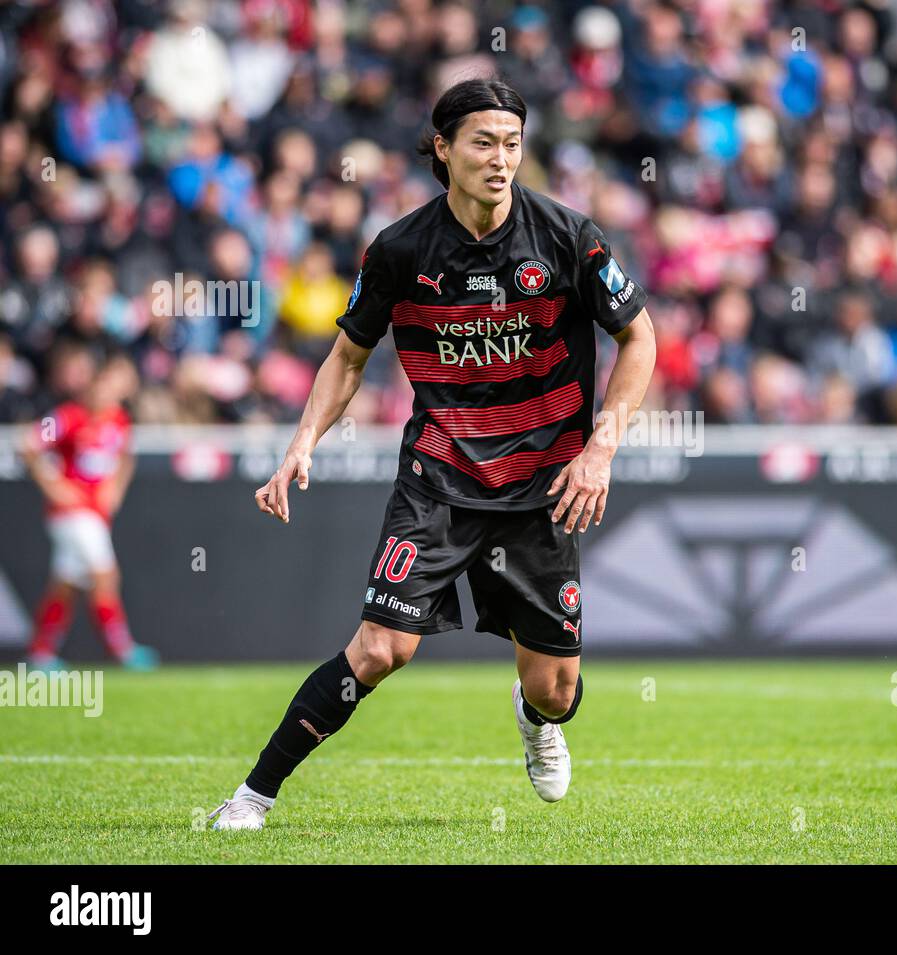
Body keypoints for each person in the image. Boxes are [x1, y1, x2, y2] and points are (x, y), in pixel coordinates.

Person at [208, 77, 656, 830]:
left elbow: (638, 336)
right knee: (380, 649)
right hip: (440, 481)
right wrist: (300, 443)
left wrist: (601, 445)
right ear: (443, 149)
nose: (501, 159)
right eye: (484, 142)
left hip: (542, 489)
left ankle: (535, 718)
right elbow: (348, 357)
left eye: (513, 143)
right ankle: (252, 797)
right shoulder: (400, 249)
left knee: (557, 691)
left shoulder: (570, 237)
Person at [21, 351, 158, 671]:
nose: (106, 392)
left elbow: (125, 458)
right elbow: (30, 445)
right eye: (103, 384)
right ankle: (122, 649)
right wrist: (54, 485)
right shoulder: (69, 417)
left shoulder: (119, 421)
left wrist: (116, 489)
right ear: (92, 384)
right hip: (72, 515)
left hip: (94, 514)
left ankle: (40, 653)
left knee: (66, 583)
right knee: (105, 574)